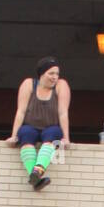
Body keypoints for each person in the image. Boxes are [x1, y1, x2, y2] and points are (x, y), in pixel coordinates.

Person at [6, 58, 70, 191]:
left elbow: (63, 112)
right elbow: (21, 111)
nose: (55, 77)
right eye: (51, 73)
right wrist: (13, 136)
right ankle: (35, 177)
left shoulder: (61, 85)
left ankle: (36, 172)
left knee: (54, 133)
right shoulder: (29, 84)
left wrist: (66, 138)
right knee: (25, 133)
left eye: (57, 74)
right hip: (31, 127)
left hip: (50, 127)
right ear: (42, 73)